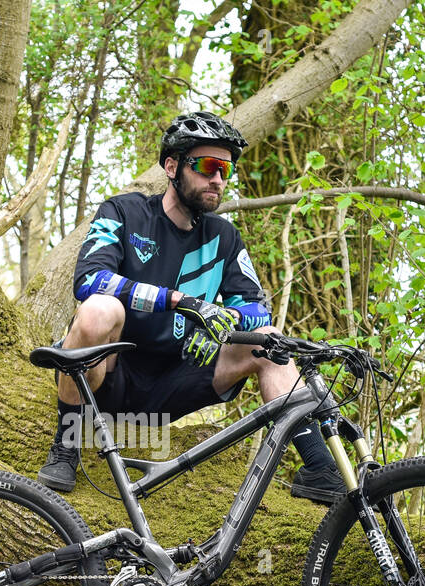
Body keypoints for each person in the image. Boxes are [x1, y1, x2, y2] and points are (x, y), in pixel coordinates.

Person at [36, 110, 346, 503]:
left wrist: (220, 321)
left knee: (268, 342)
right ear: (171, 166)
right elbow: (89, 279)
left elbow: (257, 312)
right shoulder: (124, 211)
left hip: (176, 383)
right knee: (100, 309)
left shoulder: (223, 236)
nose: (218, 179)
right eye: (207, 166)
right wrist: (183, 303)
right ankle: (65, 445)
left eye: (226, 170)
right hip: (108, 378)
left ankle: (319, 469)